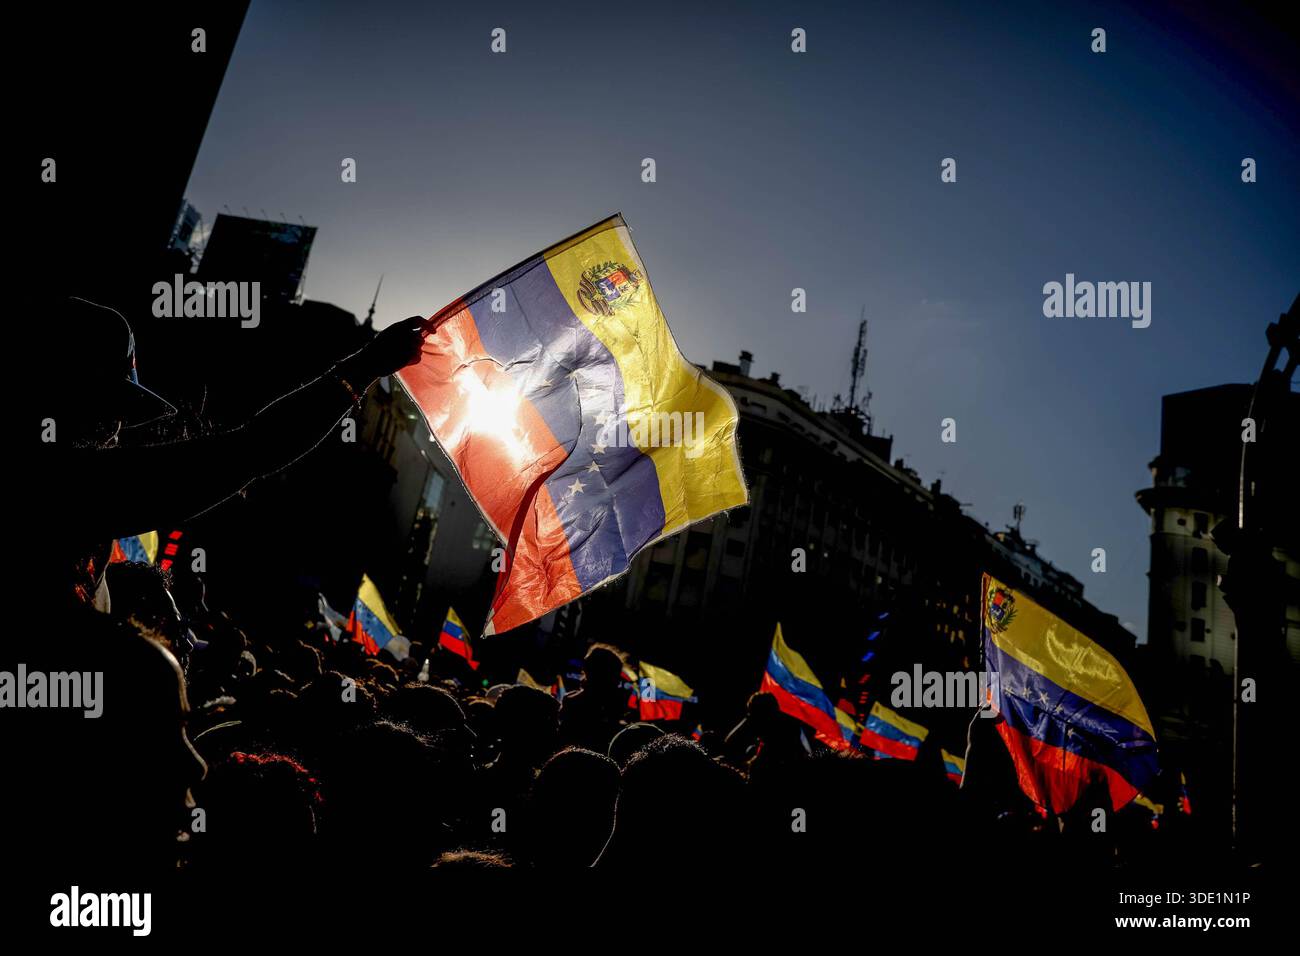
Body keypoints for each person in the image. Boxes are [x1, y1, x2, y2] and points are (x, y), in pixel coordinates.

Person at [30, 296, 427, 609]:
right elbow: (253, 448)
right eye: (107, 405)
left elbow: (249, 450)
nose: (117, 427)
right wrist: (362, 367)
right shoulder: (65, 483)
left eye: (123, 412)